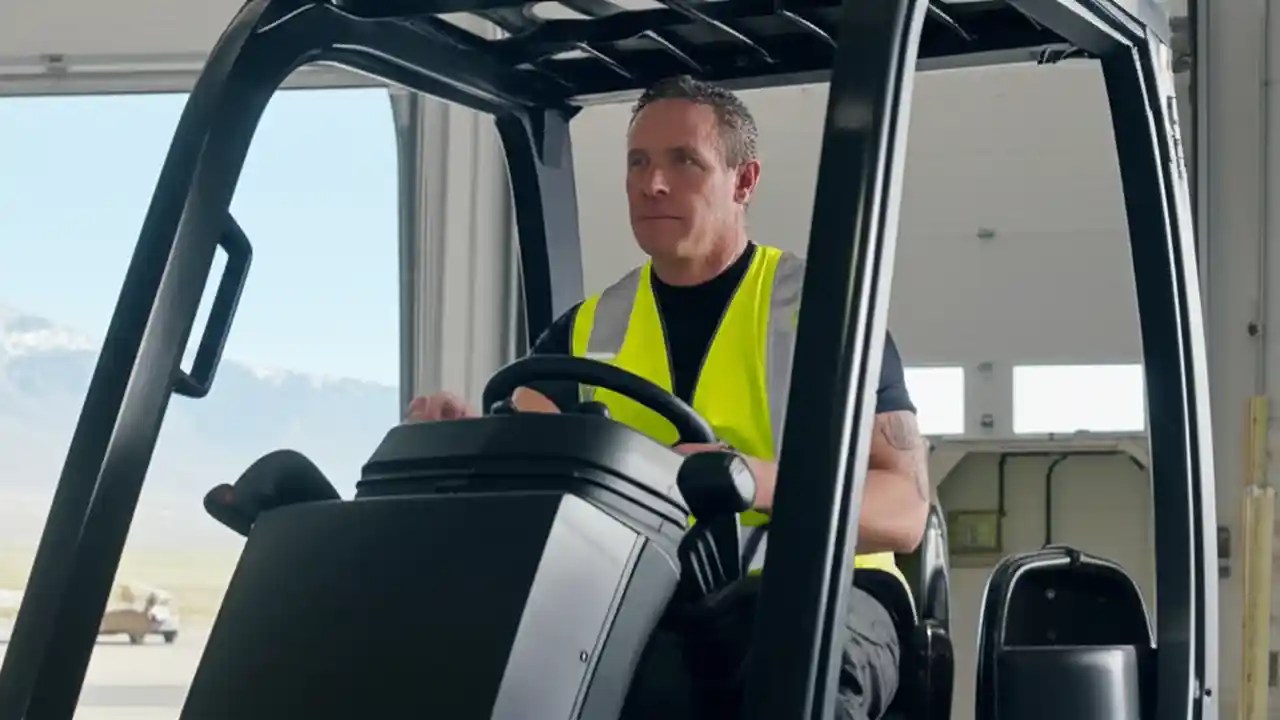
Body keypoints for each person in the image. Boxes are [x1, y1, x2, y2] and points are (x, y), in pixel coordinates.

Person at [406, 75, 931, 720]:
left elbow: (904, 509)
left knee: (785, 667)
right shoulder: (584, 331)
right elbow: (530, 463)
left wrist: (746, 479)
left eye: (684, 161)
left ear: (743, 182)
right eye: (638, 162)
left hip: (826, 590)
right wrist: (465, 442)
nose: (653, 184)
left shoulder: (828, 313)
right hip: (652, 602)